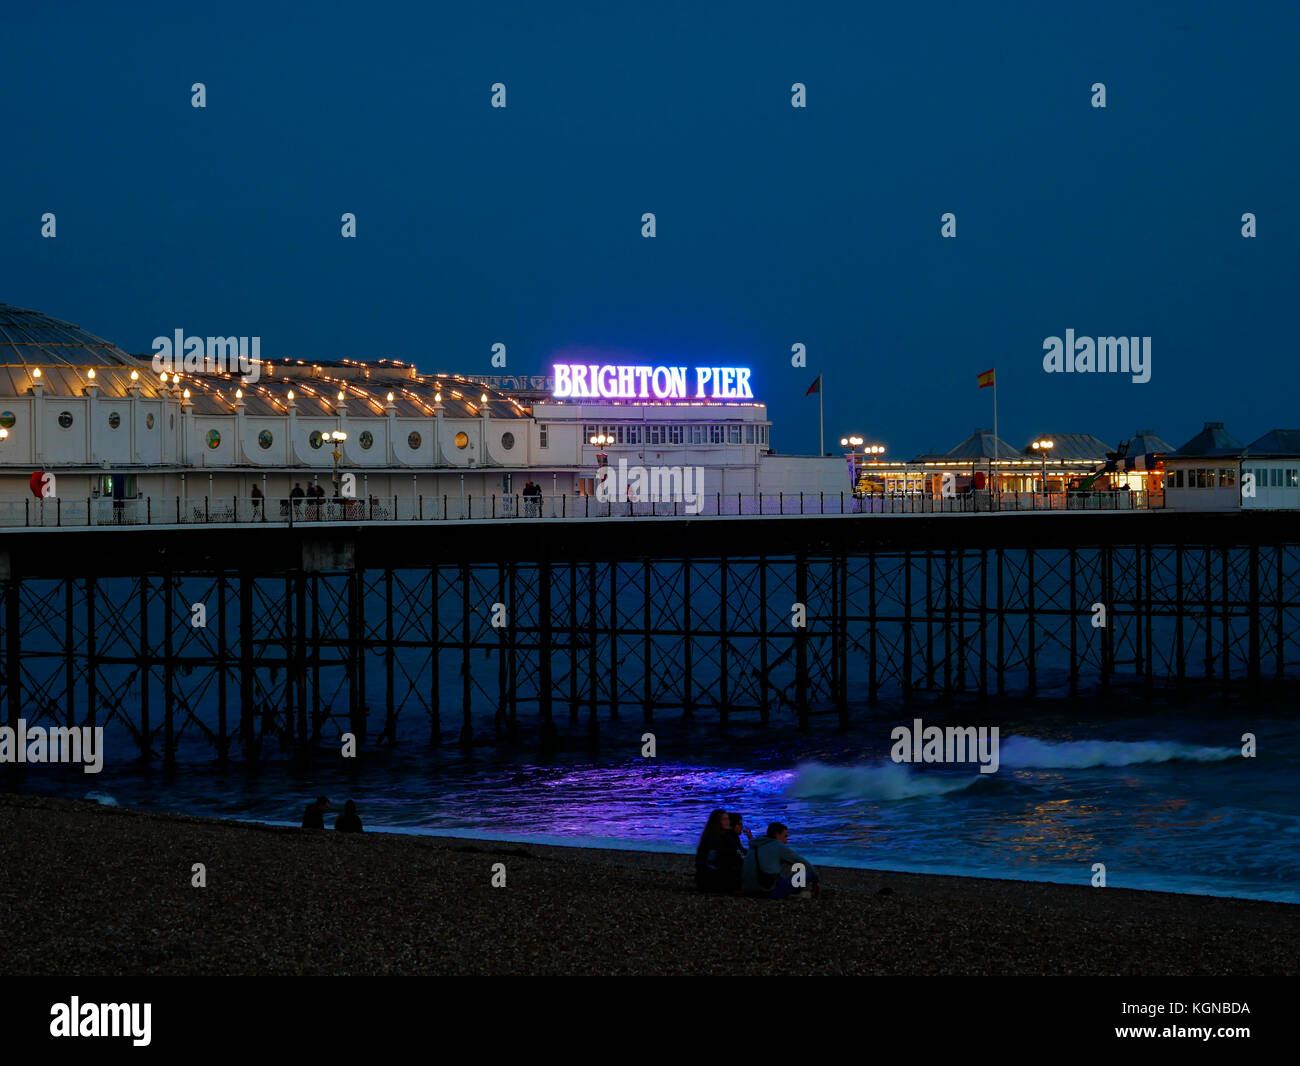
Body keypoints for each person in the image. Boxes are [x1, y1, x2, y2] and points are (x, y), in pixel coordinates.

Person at [742, 821, 820, 900]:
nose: (786, 841)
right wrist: (816, 880)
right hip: (767, 892)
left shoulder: (755, 845)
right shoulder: (777, 845)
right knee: (807, 874)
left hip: (748, 890)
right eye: (785, 836)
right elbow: (803, 863)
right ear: (777, 834)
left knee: (780, 874)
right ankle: (791, 893)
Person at [695, 809, 745, 894]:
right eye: (724, 819)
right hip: (713, 879)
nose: (727, 822)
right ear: (717, 822)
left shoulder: (717, 837)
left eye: (727, 819)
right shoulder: (717, 839)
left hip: (708, 878)